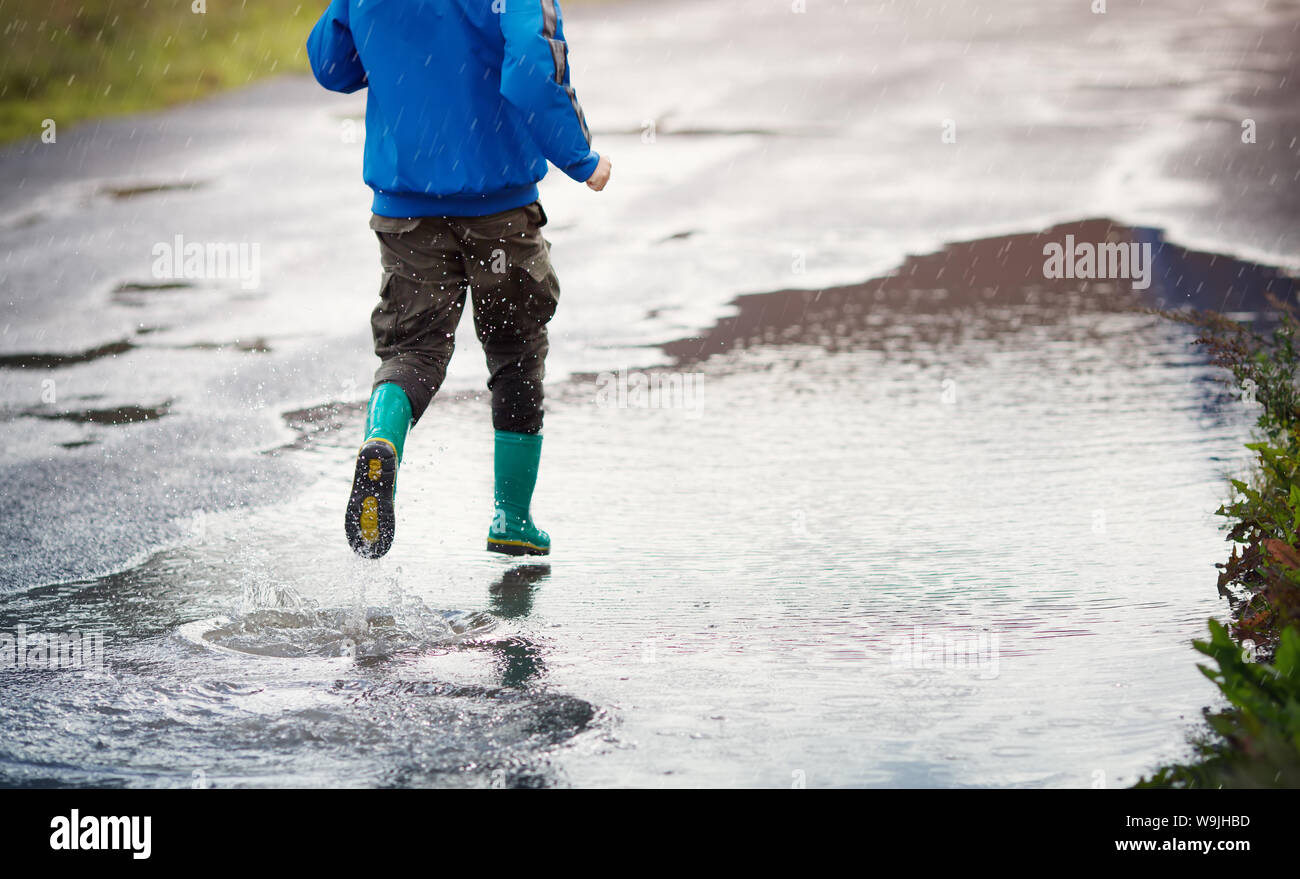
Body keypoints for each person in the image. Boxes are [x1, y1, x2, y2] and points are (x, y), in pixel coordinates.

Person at [306, 0, 611, 559]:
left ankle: (381, 442)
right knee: (516, 349)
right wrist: (581, 158)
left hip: (406, 207)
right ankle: (511, 517)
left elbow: (332, 65)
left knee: (412, 348)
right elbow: (532, 70)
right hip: (498, 208)